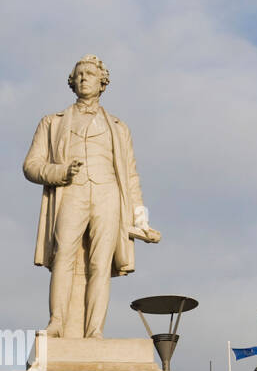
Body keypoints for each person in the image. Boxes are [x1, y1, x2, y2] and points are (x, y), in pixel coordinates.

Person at [23, 54, 161, 338]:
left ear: (102, 83)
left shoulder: (119, 128)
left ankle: (94, 330)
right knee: (63, 256)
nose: (84, 77)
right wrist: (60, 172)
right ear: (72, 82)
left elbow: (131, 176)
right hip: (71, 191)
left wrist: (140, 219)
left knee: (101, 262)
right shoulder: (52, 122)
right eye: (79, 74)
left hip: (108, 194)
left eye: (90, 73)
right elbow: (31, 166)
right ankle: (57, 323)